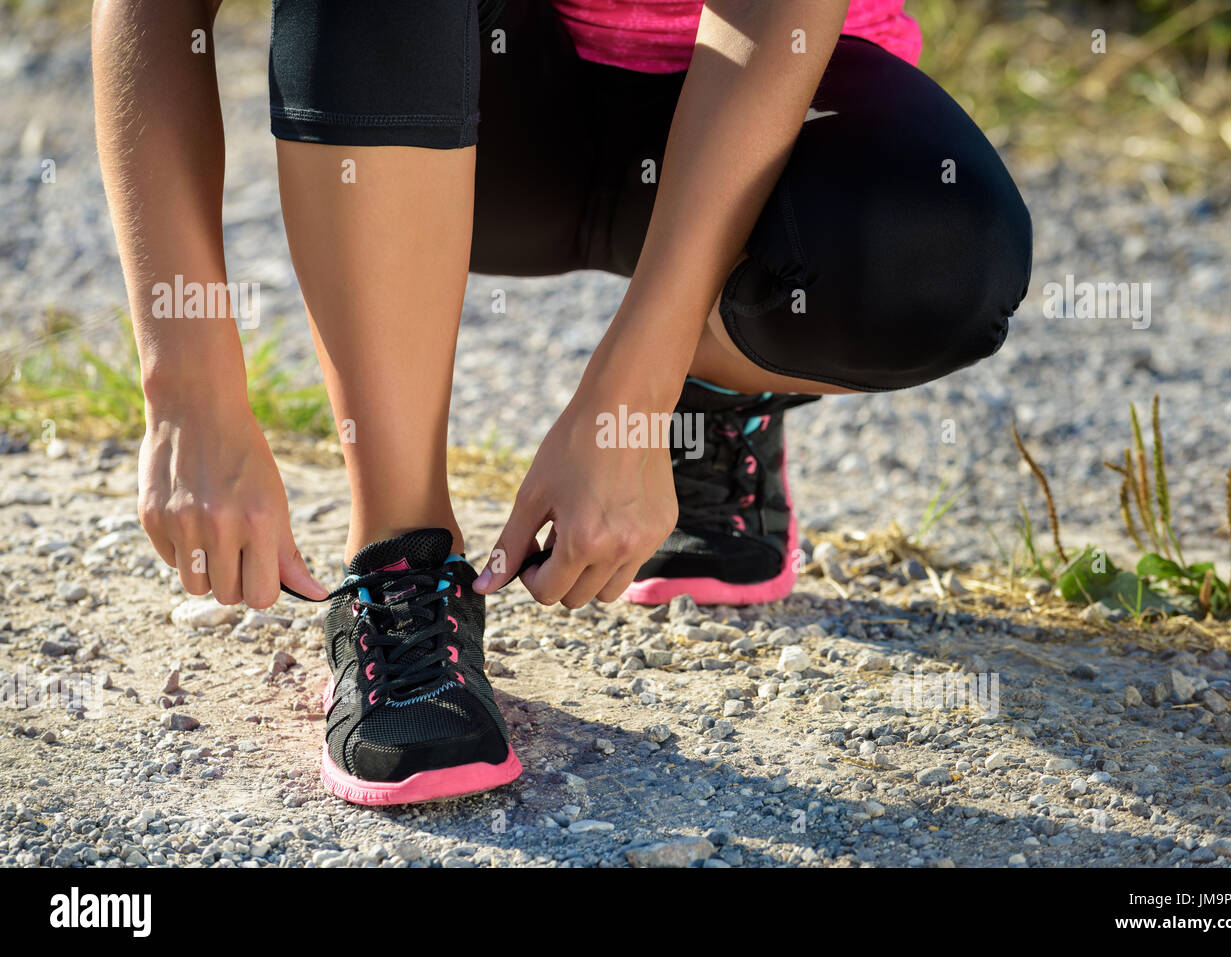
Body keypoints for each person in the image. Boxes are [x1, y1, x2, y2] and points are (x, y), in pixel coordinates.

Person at [92, 0, 1032, 804]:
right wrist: (188, 390)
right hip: (468, 96)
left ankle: (702, 406)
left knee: (935, 253)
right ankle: (402, 562)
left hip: (757, 107)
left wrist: (637, 392)